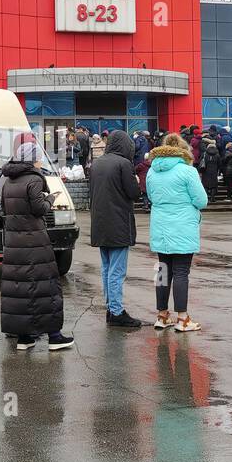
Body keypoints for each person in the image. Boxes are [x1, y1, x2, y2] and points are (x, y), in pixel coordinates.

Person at [0, 132, 73, 351]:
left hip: (14, 242)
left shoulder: (8, 181)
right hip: (35, 241)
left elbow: (3, 209)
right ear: (32, 159)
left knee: (19, 288)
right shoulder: (34, 179)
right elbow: (39, 209)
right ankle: (55, 336)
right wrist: (50, 198)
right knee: (46, 286)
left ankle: (25, 338)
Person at [144, 134, 207, 331]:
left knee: (162, 270)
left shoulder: (151, 172)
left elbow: (151, 196)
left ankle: (162, 315)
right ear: (183, 151)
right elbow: (201, 200)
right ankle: (183, 318)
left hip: (160, 226)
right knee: (181, 271)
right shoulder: (187, 171)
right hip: (182, 227)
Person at [89, 129, 143, 329]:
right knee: (117, 270)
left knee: (106, 268)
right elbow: (133, 193)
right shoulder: (124, 164)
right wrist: (136, 182)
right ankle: (117, 311)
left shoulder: (97, 163)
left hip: (100, 222)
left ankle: (111, 309)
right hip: (119, 222)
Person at [197, 132, 220, 203]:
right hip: (214, 171)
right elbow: (219, 163)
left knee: (206, 185)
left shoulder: (205, 154)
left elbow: (200, 162)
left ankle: (206, 198)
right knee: (213, 185)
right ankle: (212, 198)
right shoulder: (217, 154)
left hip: (205, 171)